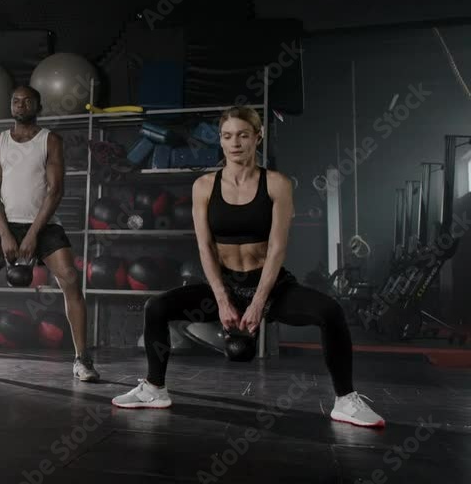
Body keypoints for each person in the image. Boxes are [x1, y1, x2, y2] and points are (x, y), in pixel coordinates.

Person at [111, 106, 385, 428]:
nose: (235, 143)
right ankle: (154, 388)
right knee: (156, 307)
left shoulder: (277, 184)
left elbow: (278, 248)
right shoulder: (203, 186)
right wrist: (223, 299)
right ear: (221, 141)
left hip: (268, 285)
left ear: (258, 136)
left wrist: (258, 303)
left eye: (243, 135)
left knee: (330, 312)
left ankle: (345, 400)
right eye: (227, 136)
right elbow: (205, 247)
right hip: (223, 283)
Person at [0, 86, 100, 382]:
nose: (20, 105)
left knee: (71, 280)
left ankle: (82, 360)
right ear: (11, 106)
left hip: (45, 224)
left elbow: (56, 190)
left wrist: (34, 234)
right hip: (5, 224)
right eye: (15, 101)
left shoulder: (51, 140)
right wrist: (5, 233)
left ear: (38, 105)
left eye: (27, 101)